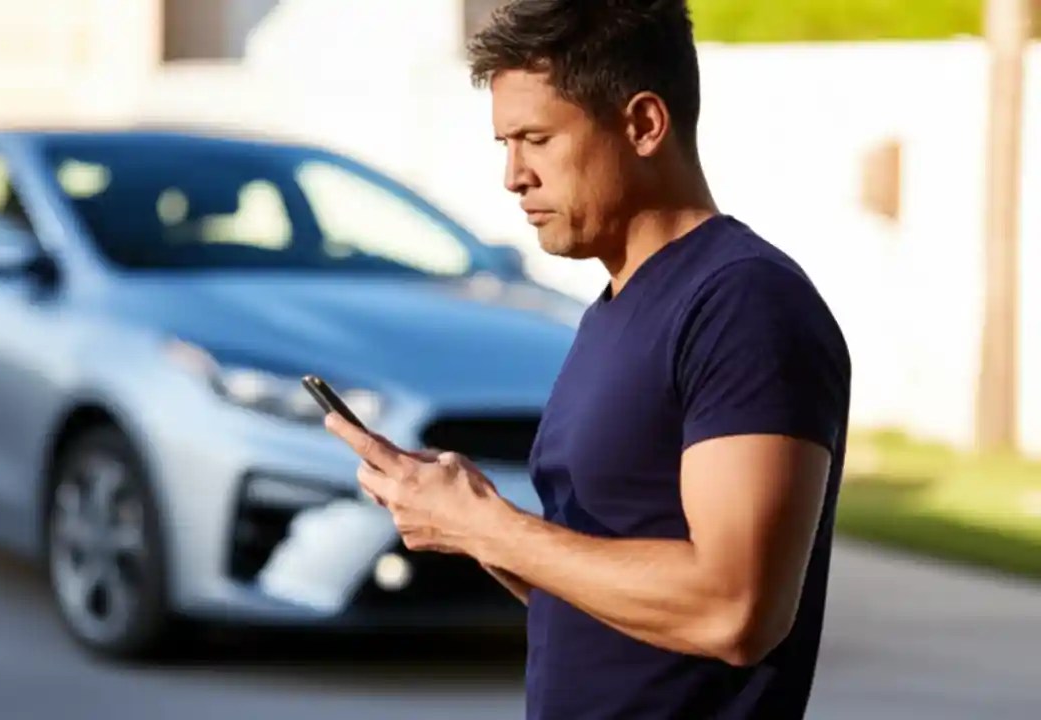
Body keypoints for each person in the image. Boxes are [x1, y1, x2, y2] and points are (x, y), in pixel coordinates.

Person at [324, 0, 852, 718]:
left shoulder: (744, 305)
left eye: (536, 139)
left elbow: (736, 610)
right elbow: (594, 599)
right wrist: (459, 521)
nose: (513, 176)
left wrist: (489, 525)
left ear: (642, 124)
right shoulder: (613, 309)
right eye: (504, 144)